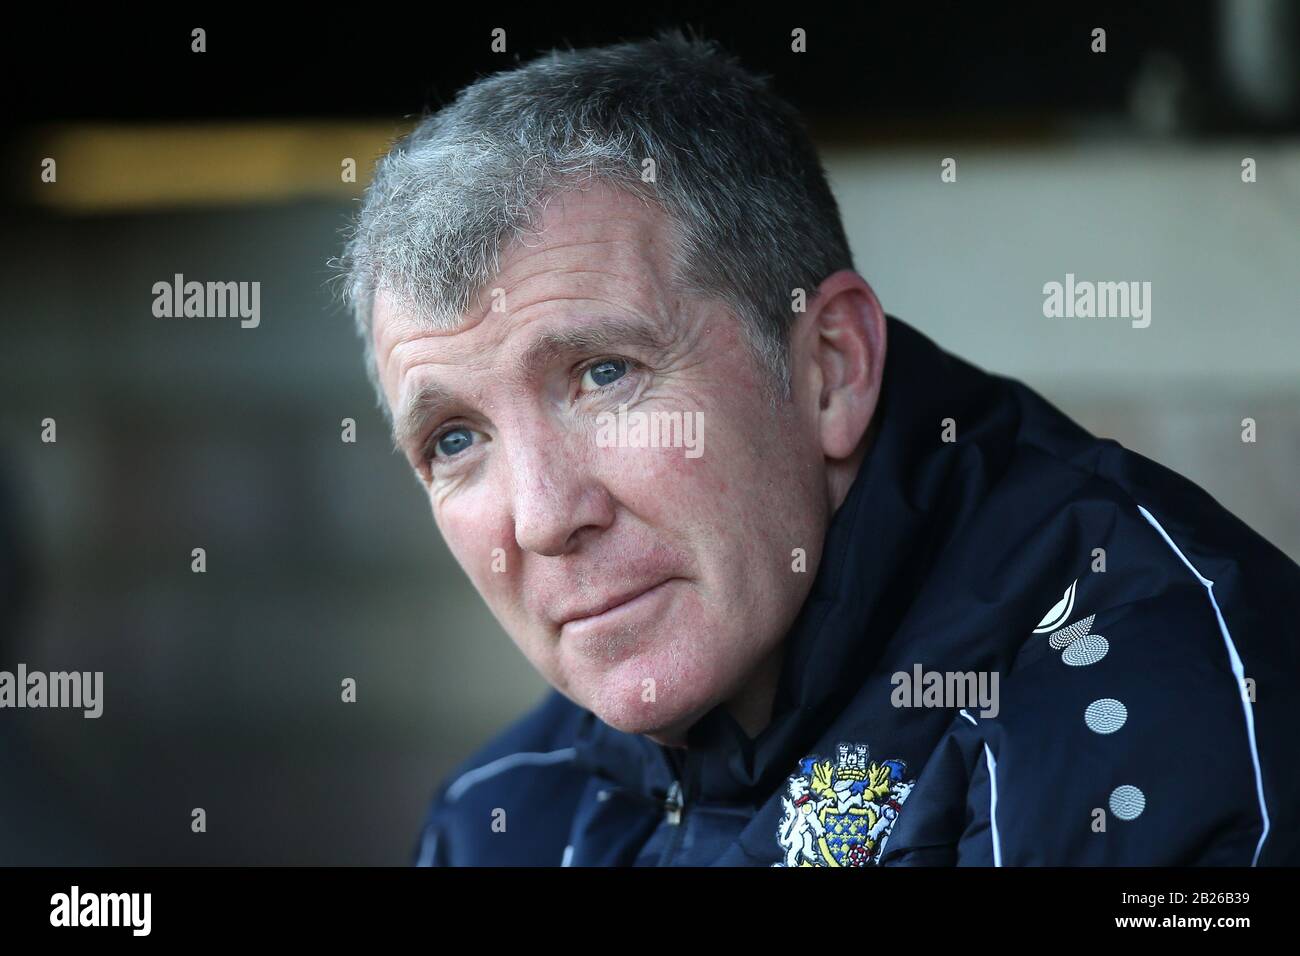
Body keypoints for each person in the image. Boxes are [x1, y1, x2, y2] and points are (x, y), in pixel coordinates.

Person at [338, 32, 1300, 866]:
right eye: (455, 439)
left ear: (829, 368)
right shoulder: (502, 816)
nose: (545, 518)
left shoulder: (1149, 711)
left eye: (602, 375)